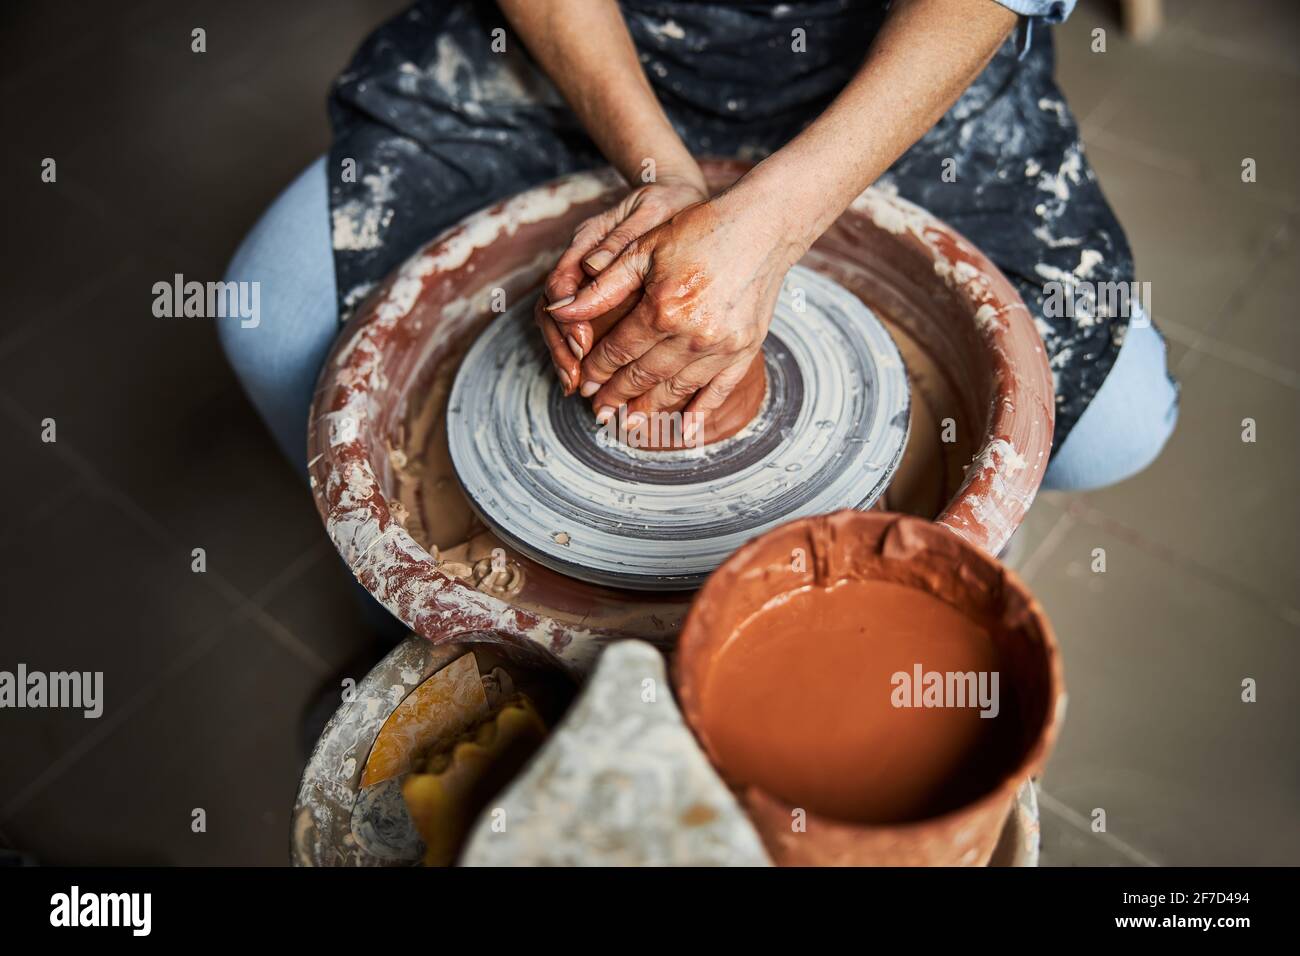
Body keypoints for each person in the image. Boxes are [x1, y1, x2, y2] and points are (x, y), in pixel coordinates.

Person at [221, 0, 1177, 493]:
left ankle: (894, 640)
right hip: (598, 49)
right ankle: (426, 662)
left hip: (890, 54)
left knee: (1112, 424)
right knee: (273, 322)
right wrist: (658, 172)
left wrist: (779, 217)